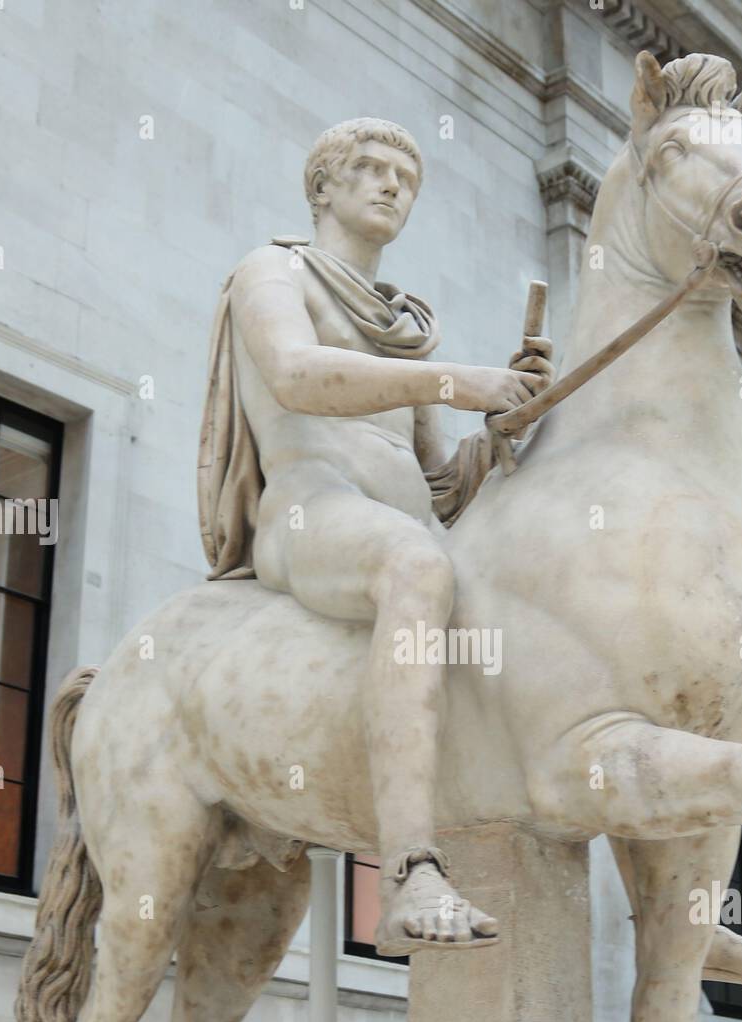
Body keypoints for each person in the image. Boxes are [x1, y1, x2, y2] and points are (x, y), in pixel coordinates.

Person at [197, 117, 553, 954]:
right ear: (322, 187)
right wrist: (464, 380)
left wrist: (502, 428)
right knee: (414, 566)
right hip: (308, 515)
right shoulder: (272, 273)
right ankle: (408, 871)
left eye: (408, 175)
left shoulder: (404, 327)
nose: (393, 184)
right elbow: (297, 374)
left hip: (406, 521)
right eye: (371, 168)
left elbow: (435, 482)